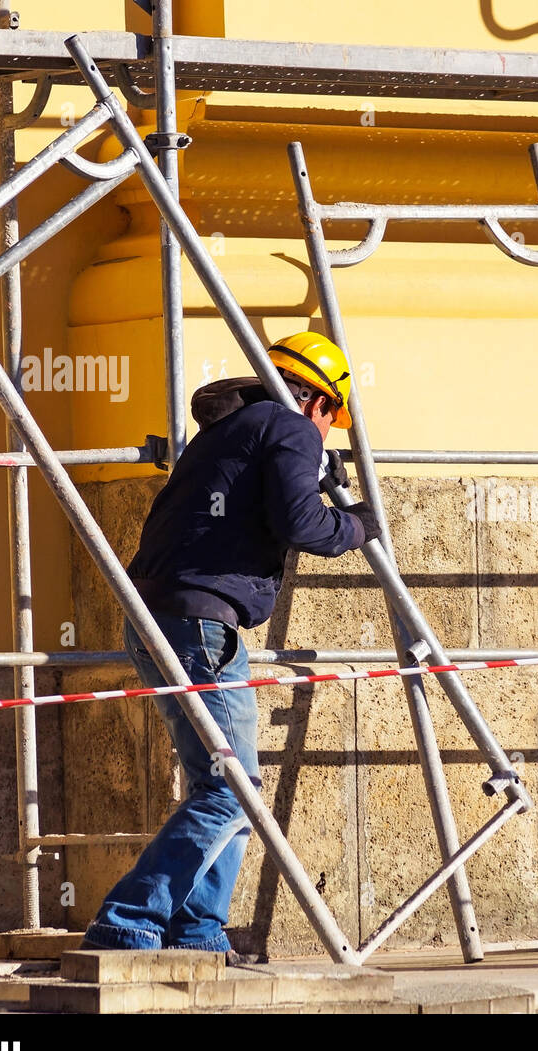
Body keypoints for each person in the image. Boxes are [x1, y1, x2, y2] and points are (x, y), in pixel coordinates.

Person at [82, 331, 380, 956]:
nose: (327, 434)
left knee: (223, 786)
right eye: (331, 421)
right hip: (199, 622)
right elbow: (304, 525)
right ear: (318, 403)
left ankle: (198, 930)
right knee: (231, 788)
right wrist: (357, 523)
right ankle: (131, 916)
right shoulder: (291, 428)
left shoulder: (225, 434)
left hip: (159, 616)